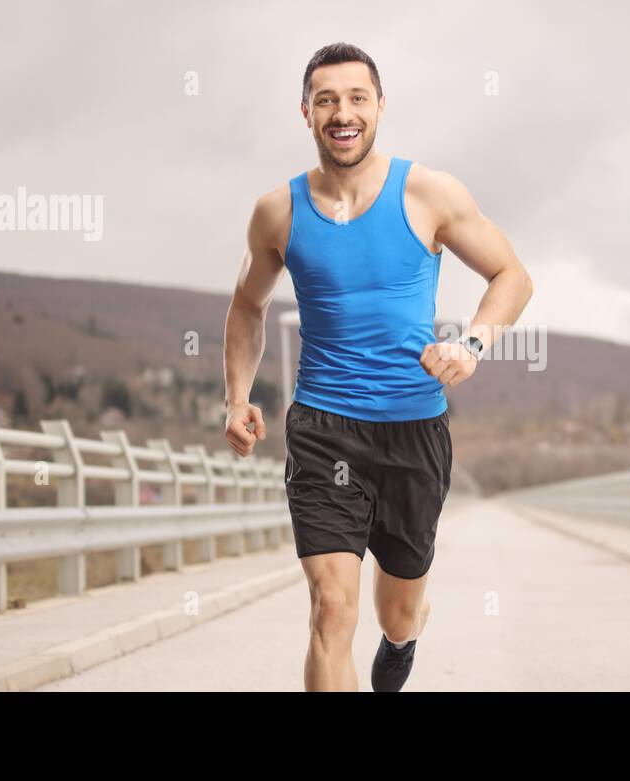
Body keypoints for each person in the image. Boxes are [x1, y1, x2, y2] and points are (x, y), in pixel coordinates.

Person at [222, 42, 533, 692]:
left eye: (357, 98)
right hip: (322, 428)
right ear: (305, 111)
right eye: (327, 99)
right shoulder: (277, 213)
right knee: (331, 609)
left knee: (396, 612)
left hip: (413, 429)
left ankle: (404, 638)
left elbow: (512, 276)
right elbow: (247, 306)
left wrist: (470, 345)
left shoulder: (430, 193)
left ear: (379, 107)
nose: (343, 112)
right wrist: (236, 397)